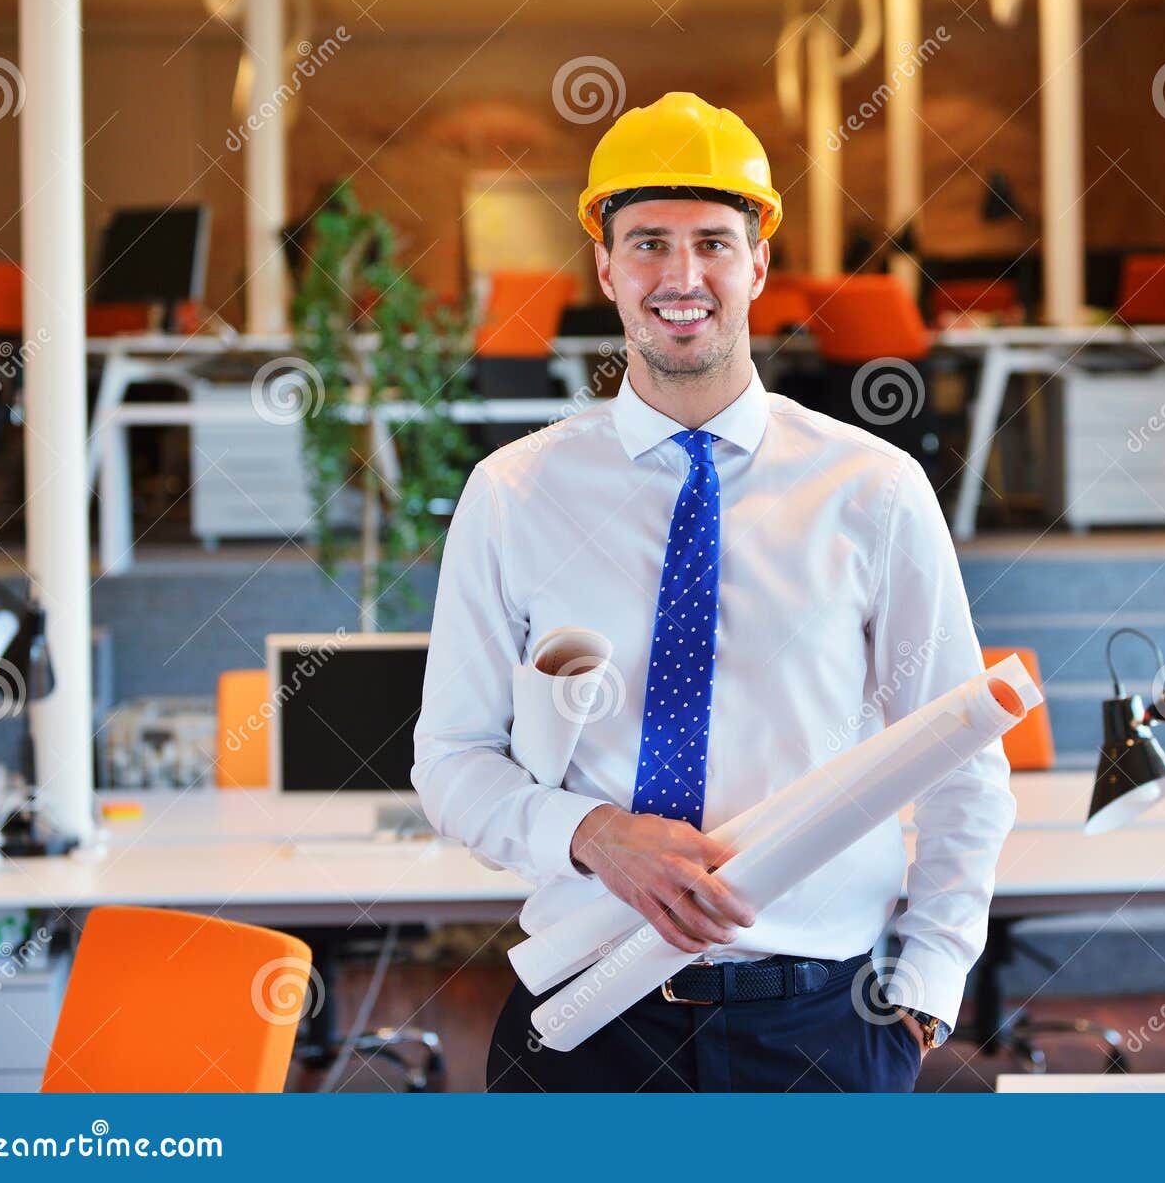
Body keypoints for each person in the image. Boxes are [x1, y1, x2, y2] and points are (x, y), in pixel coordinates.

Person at [412, 91, 1015, 1092]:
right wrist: (594, 837)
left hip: (818, 1025)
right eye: (647, 243)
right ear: (604, 267)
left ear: (757, 265)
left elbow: (956, 760)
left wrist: (922, 993)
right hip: (585, 1018)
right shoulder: (513, 493)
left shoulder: (870, 489)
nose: (680, 276)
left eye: (712, 243)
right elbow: (452, 762)